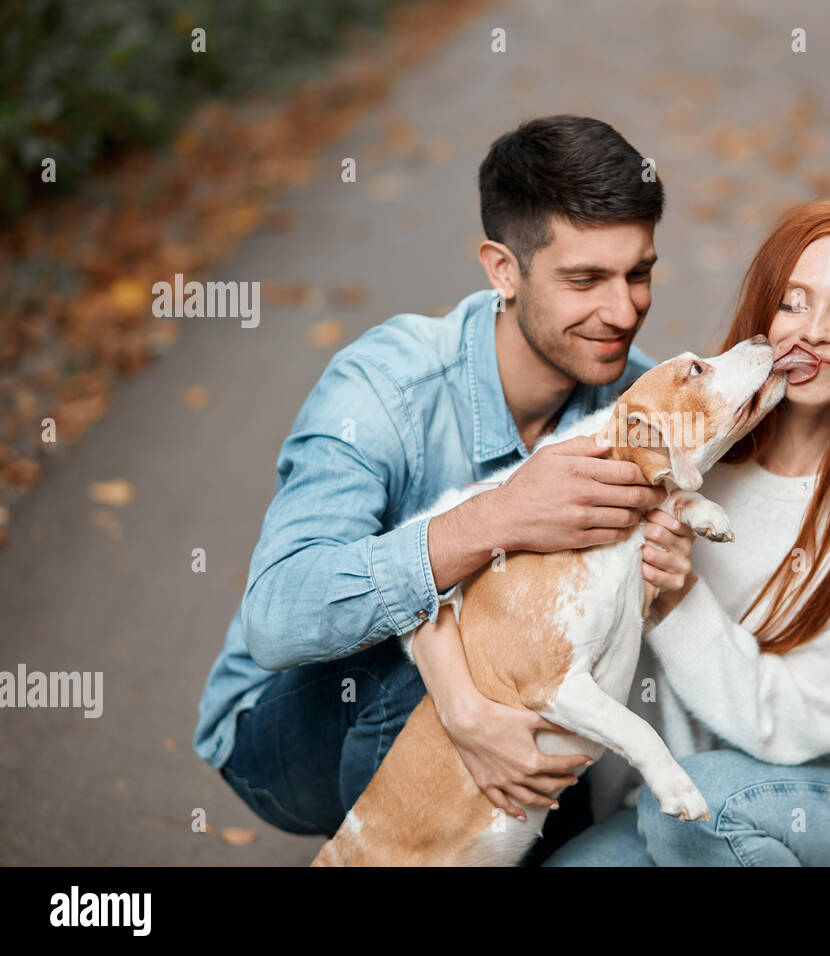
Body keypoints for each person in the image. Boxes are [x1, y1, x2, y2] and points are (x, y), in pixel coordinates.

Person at [192, 115, 693, 864]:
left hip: (519, 699)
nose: (623, 312)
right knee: (432, 659)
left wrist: (671, 582)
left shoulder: (638, 403)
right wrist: (497, 519)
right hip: (288, 727)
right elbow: (276, 615)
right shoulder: (385, 389)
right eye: (586, 280)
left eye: (639, 273)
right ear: (503, 271)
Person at [532, 197, 830, 865]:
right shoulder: (692, 460)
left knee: (703, 809)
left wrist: (679, 600)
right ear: (765, 312)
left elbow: (794, 729)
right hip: (677, 795)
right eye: (794, 303)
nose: (814, 332)